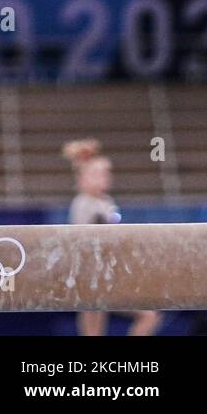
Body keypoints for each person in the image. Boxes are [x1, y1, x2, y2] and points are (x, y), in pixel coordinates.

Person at [63, 138, 160, 336]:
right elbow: (81, 240)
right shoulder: (83, 202)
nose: (104, 178)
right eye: (97, 174)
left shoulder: (106, 201)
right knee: (95, 330)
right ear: (82, 179)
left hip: (106, 274)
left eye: (106, 173)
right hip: (89, 276)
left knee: (148, 315)